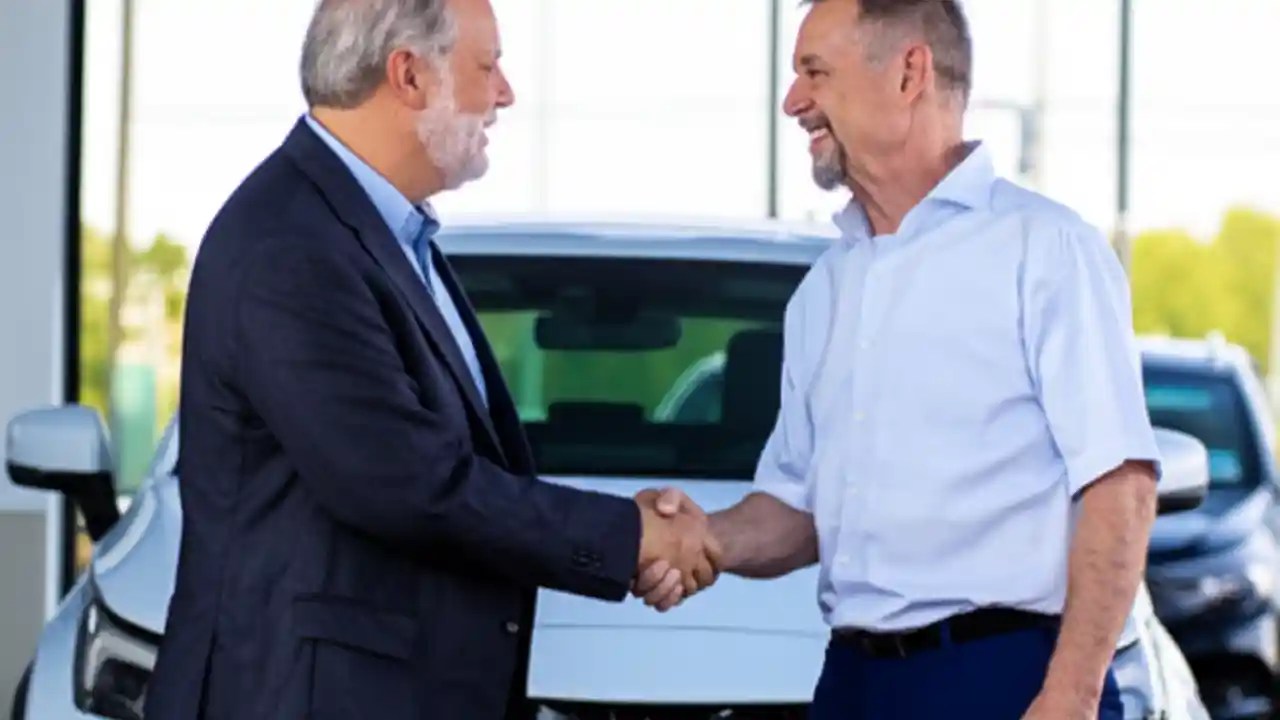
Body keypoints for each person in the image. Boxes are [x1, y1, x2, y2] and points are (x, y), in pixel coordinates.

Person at [142, 1, 720, 719]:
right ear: (409, 75)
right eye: (488, 65)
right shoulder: (290, 246)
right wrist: (631, 537)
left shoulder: (382, 237)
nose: (505, 93)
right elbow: (406, 482)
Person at [634, 1, 1160, 718]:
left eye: (814, 72)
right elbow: (799, 506)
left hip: (1003, 678)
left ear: (910, 71)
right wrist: (706, 539)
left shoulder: (1046, 251)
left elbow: (1120, 486)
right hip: (853, 681)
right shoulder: (826, 289)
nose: (794, 102)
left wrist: (1070, 693)